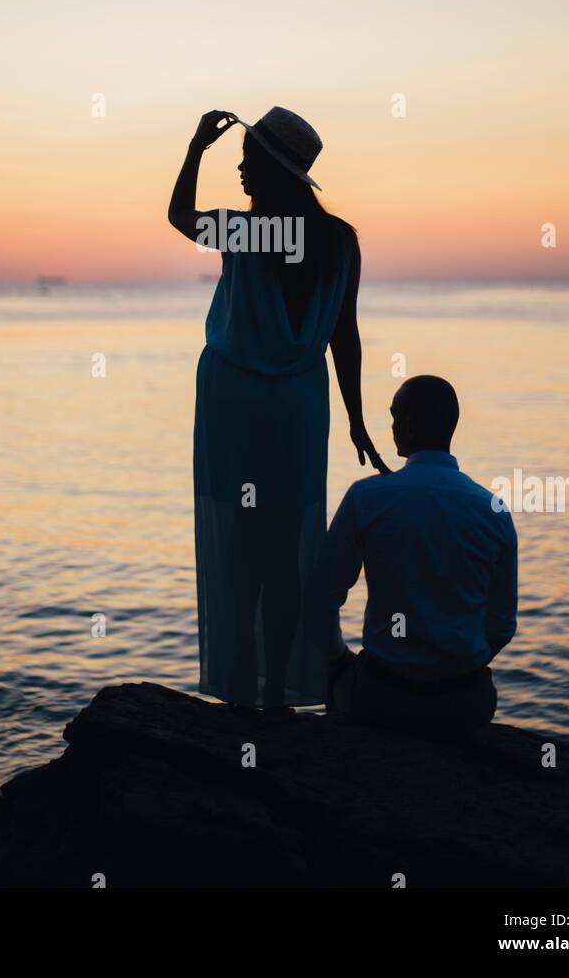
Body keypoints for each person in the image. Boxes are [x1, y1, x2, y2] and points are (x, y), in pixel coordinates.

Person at [168, 108, 388, 714]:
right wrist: (357, 418)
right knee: (287, 543)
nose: (239, 168)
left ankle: (239, 685)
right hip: (297, 405)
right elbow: (345, 334)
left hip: (234, 402)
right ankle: (273, 695)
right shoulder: (339, 239)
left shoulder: (247, 233)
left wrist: (195, 147)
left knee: (241, 542)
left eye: (247, 158)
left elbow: (179, 217)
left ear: (270, 168)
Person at [326, 375, 517, 731]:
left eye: (395, 418)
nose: (393, 427)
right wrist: (457, 661)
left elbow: (322, 597)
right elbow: (502, 622)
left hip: (382, 695)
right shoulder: (494, 510)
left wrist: (338, 657)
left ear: (410, 425)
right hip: (464, 703)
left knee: (333, 677)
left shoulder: (367, 497)